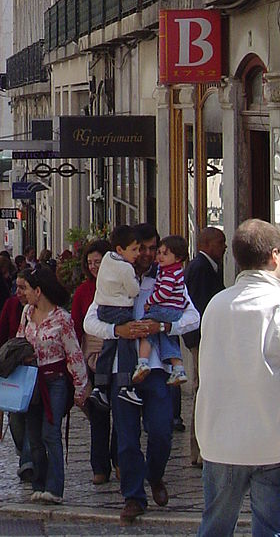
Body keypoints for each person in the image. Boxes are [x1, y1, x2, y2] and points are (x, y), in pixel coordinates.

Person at [84, 224, 200, 524]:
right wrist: (116, 330)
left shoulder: (168, 278)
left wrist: (163, 327)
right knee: (126, 438)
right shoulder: (112, 278)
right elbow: (90, 321)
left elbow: (192, 316)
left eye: (153, 248)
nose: (147, 254)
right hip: (123, 369)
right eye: (143, 248)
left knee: (161, 431)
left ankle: (156, 475)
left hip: (158, 368)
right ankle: (133, 496)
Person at [195, 219, 280, 537]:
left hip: (220, 439)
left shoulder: (217, 304)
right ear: (275, 256)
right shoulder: (275, 304)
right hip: (271, 439)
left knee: (215, 527)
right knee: (270, 528)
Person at [16, 265, 89, 504]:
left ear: (39, 291)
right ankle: (39, 484)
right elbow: (19, 341)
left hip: (54, 381)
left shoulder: (62, 319)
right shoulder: (27, 312)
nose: (23, 293)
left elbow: (74, 353)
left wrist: (80, 387)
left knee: (51, 433)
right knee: (34, 436)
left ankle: (55, 487)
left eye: (26, 288)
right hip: (30, 381)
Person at [71, 239, 118, 485]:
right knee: (98, 413)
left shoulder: (119, 286)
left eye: (98, 262)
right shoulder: (83, 291)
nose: (93, 267)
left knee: (121, 411)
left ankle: (119, 460)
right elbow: (77, 324)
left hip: (119, 353)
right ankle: (99, 466)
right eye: (89, 263)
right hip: (92, 358)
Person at [182, 226, 226, 468]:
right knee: (203, 389)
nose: (225, 247)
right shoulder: (200, 268)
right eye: (221, 242)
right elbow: (199, 306)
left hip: (205, 338)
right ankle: (198, 449)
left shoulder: (208, 266)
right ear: (207, 244)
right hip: (202, 338)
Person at [0, 271, 34, 481]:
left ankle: (28, 461)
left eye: (22, 287)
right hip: (12, 369)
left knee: (32, 415)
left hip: (34, 370)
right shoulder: (12, 305)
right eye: (17, 287)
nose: (18, 292)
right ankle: (24, 453)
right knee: (15, 417)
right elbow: (1, 336)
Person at [90, 225, 142, 407]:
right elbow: (134, 291)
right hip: (121, 310)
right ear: (120, 249)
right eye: (134, 249)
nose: (137, 254)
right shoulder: (126, 268)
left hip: (104, 308)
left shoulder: (106, 259)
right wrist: (136, 281)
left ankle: (100, 386)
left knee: (108, 346)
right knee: (126, 345)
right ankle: (126, 385)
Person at [137, 234, 189, 385]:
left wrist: (149, 301)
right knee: (168, 337)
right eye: (159, 252)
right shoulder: (174, 270)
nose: (160, 256)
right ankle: (178, 368)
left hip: (165, 309)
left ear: (178, 258)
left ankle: (142, 362)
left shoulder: (169, 273)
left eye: (165, 254)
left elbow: (164, 292)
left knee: (146, 327)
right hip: (174, 311)